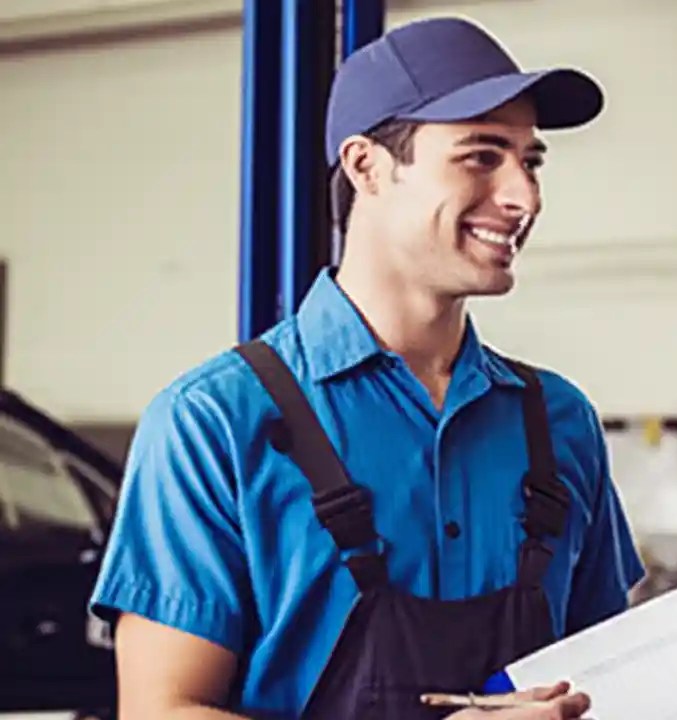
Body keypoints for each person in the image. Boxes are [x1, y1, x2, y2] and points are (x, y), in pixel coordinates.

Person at [88, 16, 644, 720]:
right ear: (365, 166)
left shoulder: (558, 420)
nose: (524, 198)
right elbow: (161, 713)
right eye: (481, 156)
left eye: (530, 162)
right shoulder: (215, 422)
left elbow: (613, 683)